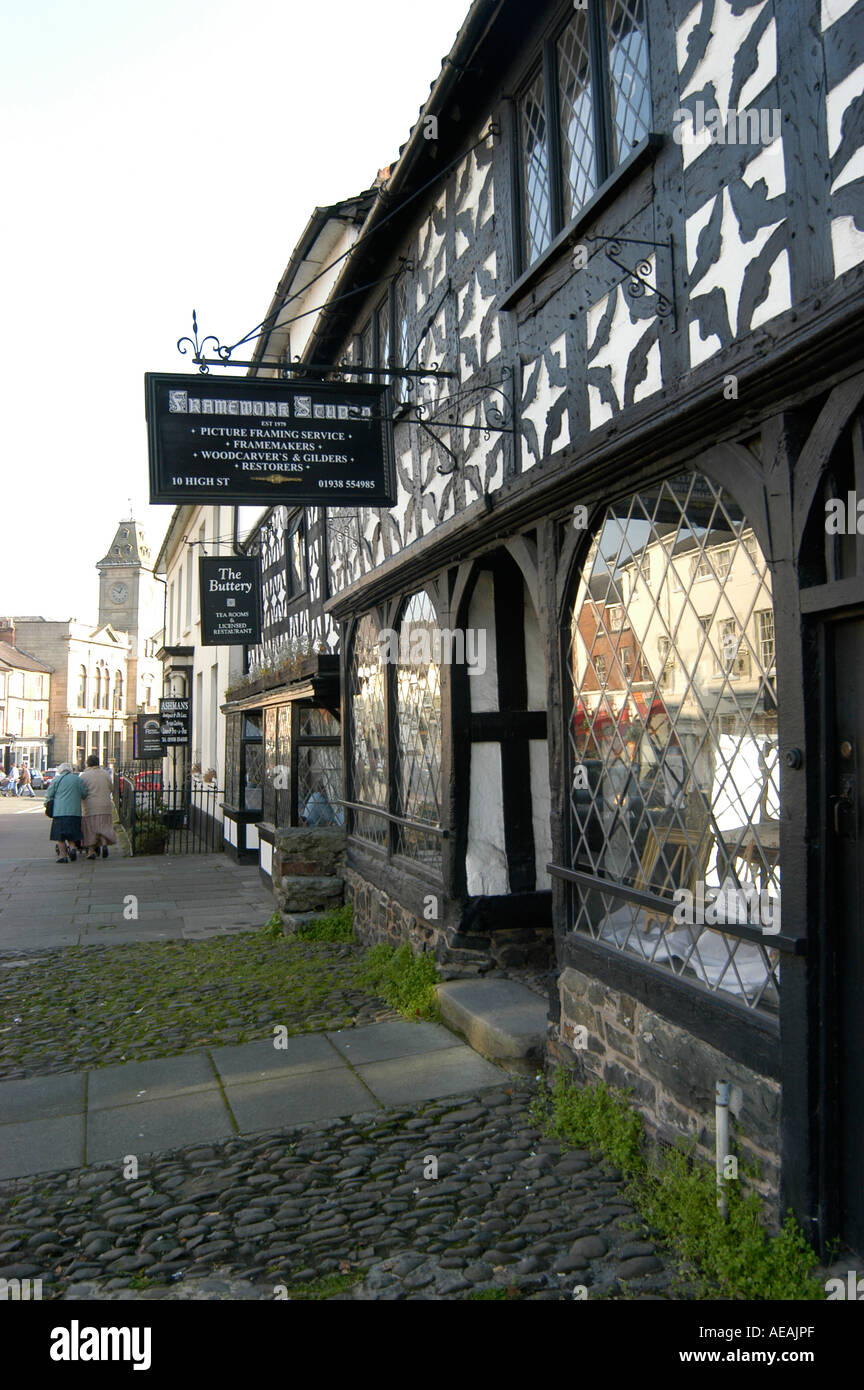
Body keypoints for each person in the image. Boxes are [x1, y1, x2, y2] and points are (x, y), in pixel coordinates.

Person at [44, 762, 88, 862]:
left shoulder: (56, 780)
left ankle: (63, 856)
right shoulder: (77, 780)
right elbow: (84, 794)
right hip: (75, 812)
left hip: (59, 812)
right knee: (72, 834)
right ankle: (72, 849)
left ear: (60, 770)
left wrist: (47, 804)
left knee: (60, 837)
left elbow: (49, 794)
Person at [80, 753, 118, 859]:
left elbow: (81, 792)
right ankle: (104, 844)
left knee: (91, 829)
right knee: (103, 827)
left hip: (90, 807)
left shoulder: (84, 776)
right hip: (105, 805)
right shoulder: (105, 774)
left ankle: (91, 851)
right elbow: (111, 788)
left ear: (87, 764)